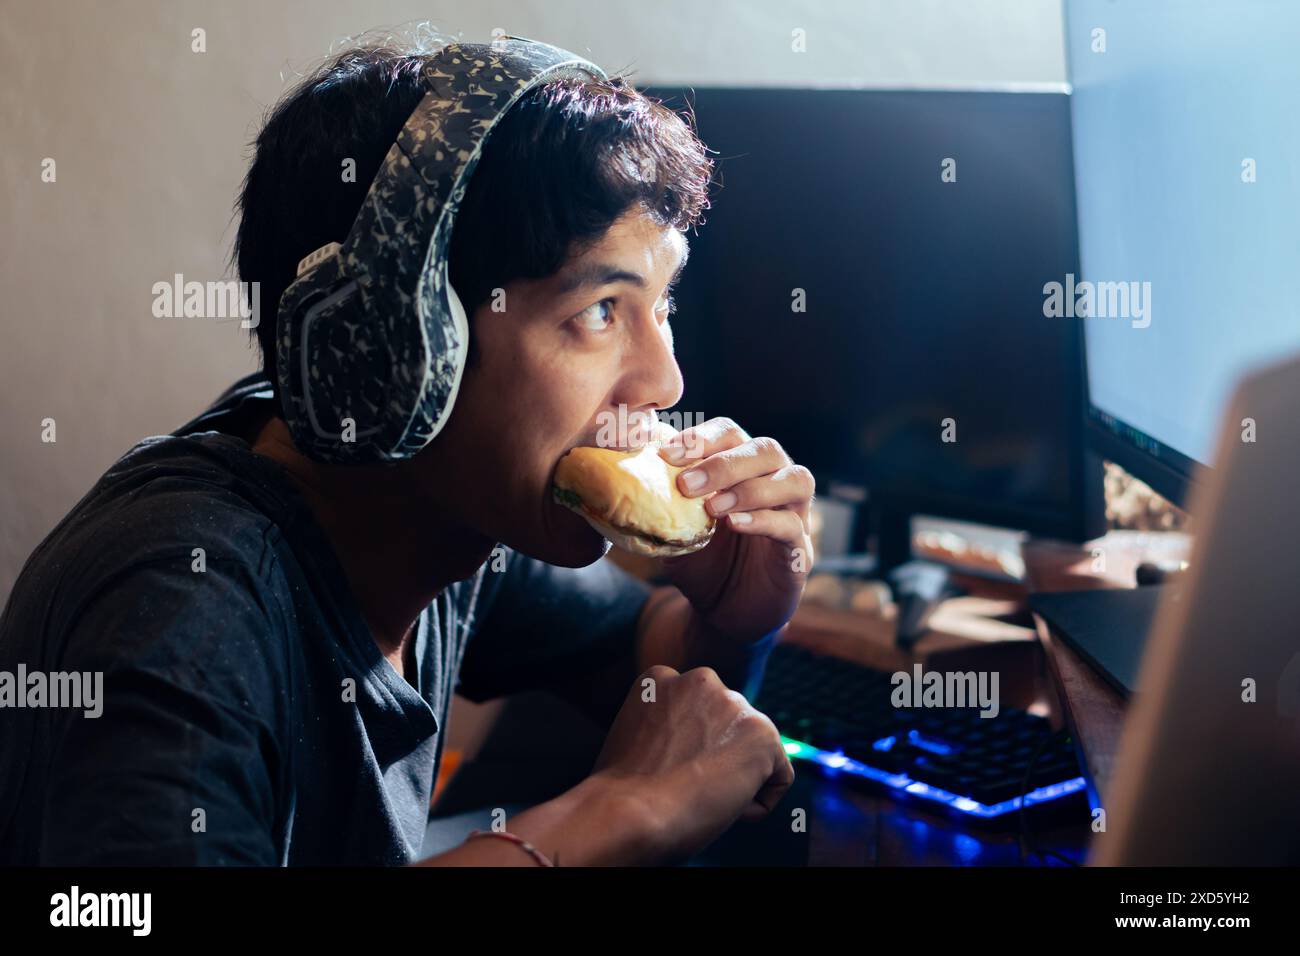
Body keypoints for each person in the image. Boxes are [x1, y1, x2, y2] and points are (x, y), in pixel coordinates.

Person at [0, 33, 815, 866]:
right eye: (600, 311)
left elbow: (653, 669)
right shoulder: (183, 608)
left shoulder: (444, 513)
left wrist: (738, 616)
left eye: (662, 305)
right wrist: (621, 811)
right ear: (392, 351)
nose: (665, 381)